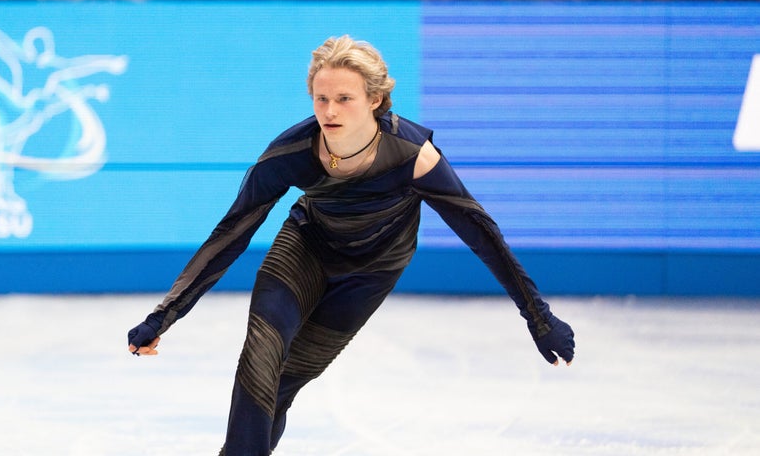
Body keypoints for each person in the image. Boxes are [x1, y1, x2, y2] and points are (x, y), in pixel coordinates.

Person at [128, 35, 576, 454]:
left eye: (344, 98)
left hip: (371, 274)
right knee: (259, 363)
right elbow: (231, 232)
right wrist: (164, 315)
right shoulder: (292, 152)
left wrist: (538, 316)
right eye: (321, 99)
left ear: (375, 100)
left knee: (280, 387)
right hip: (303, 250)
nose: (330, 110)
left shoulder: (413, 154)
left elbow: (481, 234)